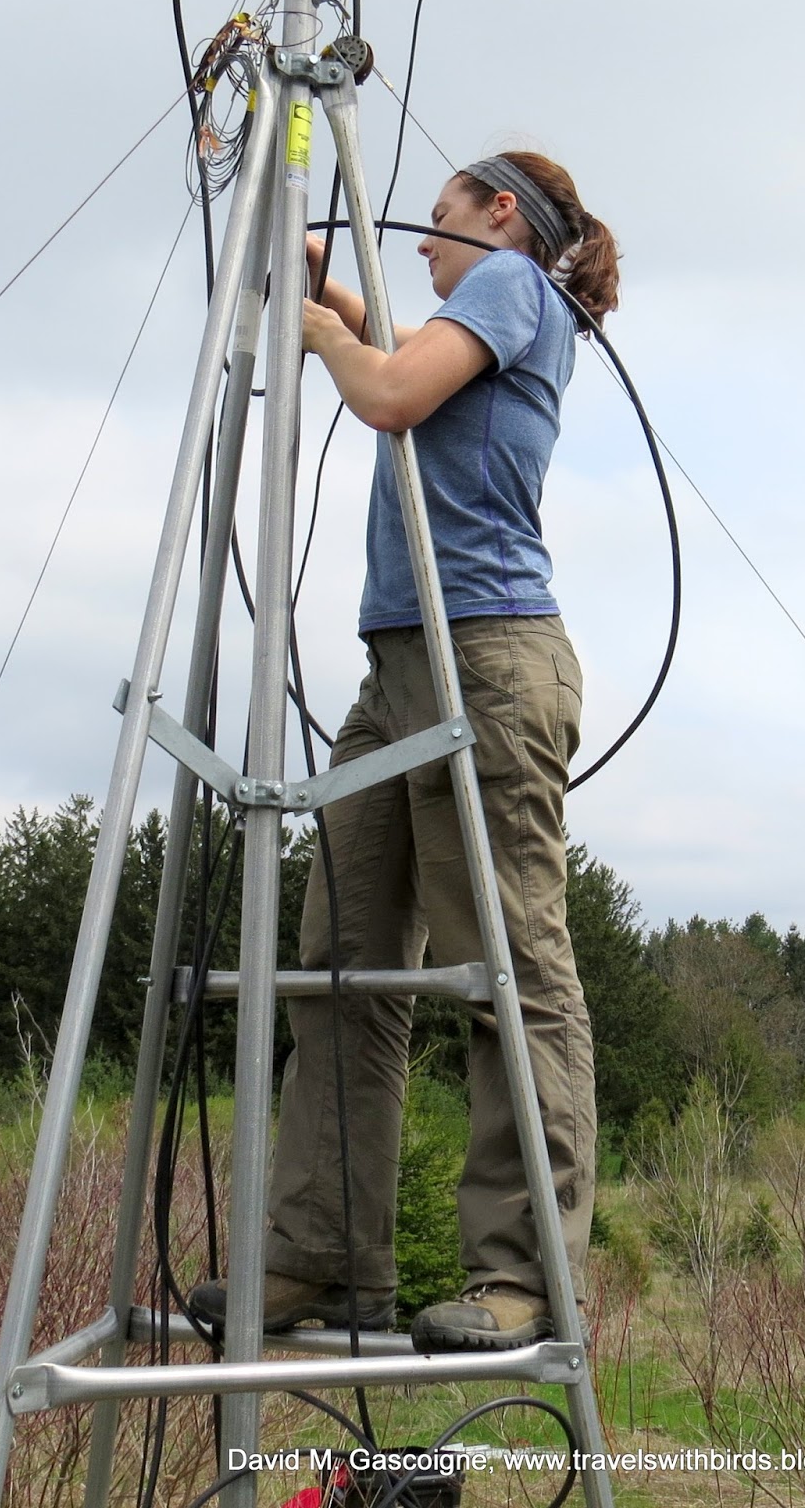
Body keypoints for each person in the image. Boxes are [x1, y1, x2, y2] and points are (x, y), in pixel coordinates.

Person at [190, 151, 620, 1352]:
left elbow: (387, 393)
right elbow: (387, 349)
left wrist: (330, 338)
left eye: (433, 225)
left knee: (506, 963)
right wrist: (324, 291)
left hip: (485, 653)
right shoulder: (480, 302)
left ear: (500, 219)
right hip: (399, 664)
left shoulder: (511, 285)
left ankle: (522, 1273)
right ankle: (318, 1259)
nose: (419, 247)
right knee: (342, 966)